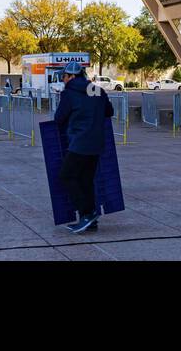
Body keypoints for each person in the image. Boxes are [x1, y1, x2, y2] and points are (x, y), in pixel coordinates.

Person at [53, 61, 112, 234]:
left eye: (64, 76)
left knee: (66, 176)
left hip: (79, 142)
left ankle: (87, 213)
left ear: (71, 76)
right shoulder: (97, 90)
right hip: (97, 143)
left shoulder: (69, 93)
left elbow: (59, 119)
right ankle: (91, 220)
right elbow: (109, 111)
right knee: (86, 180)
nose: (63, 80)